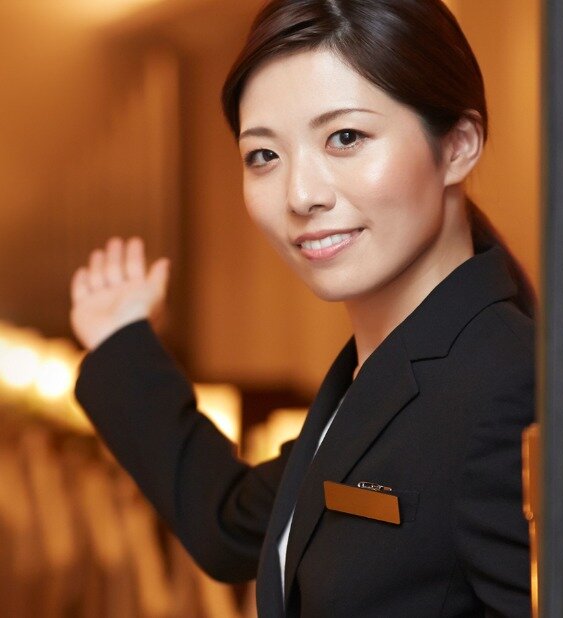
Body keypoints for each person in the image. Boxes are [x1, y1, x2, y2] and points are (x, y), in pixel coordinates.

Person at [70, 0, 536, 616]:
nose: (300, 194)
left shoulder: (504, 385)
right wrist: (120, 344)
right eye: (264, 155)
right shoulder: (382, 374)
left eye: (345, 138)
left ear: (458, 145)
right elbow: (234, 525)